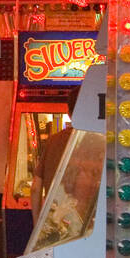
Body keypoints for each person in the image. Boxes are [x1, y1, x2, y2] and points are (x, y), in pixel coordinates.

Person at [29, 86, 82, 226]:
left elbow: (35, 188)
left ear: (69, 113)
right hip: (83, 223)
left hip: (54, 221)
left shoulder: (53, 141)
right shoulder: (99, 141)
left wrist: (37, 225)